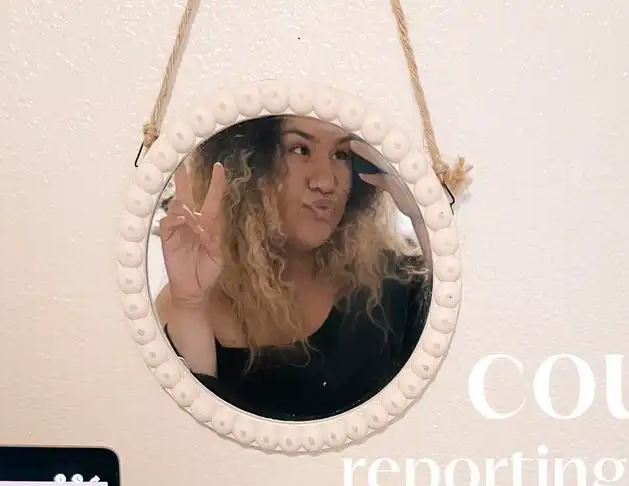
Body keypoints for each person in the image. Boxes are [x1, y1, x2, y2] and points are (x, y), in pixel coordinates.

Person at [154, 115, 432, 423]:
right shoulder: (189, 296)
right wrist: (190, 305)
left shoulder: (393, 277)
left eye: (341, 155)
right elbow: (192, 440)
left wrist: (425, 216)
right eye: (300, 149)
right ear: (246, 161)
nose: (326, 182)